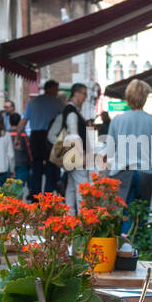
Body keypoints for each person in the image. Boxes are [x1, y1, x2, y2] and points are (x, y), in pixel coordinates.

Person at [106, 78, 152, 212]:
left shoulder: (117, 120)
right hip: (145, 173)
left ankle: (126, 234)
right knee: (141, 216)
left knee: (123, 215)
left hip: (121, 172)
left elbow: (109, 150)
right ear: (145, 98)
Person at [24, 79, 63, 197]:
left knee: (36, 166)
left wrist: (18, 136)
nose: (56, 92)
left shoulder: (32, 102)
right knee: (50, 166)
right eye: (56, 89)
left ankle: (35, 195)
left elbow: (24, 120)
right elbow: (63, 120)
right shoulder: (57, 103)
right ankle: (48, 196)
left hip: (35, 137)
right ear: (51, 89)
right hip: (49, 137)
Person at [57, 83, 88, 213]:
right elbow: (74, 134)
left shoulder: (70, 110)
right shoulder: (71, 111)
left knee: (70, 186)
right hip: (75, 155)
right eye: (84, 94)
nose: (85, 97)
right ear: (76, 94)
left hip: (70, 154)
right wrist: (82, 155)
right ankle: (83, 218)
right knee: (82, 187)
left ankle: (69, 218)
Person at [9, 112, 31, 185]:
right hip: (22, 163)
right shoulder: (23, 135)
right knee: (19, 187)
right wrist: (31, 161)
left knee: (9, 187)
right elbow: (28, 150)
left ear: (9, 122)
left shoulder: (6, 134)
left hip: (8, 164)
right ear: (19, 122)